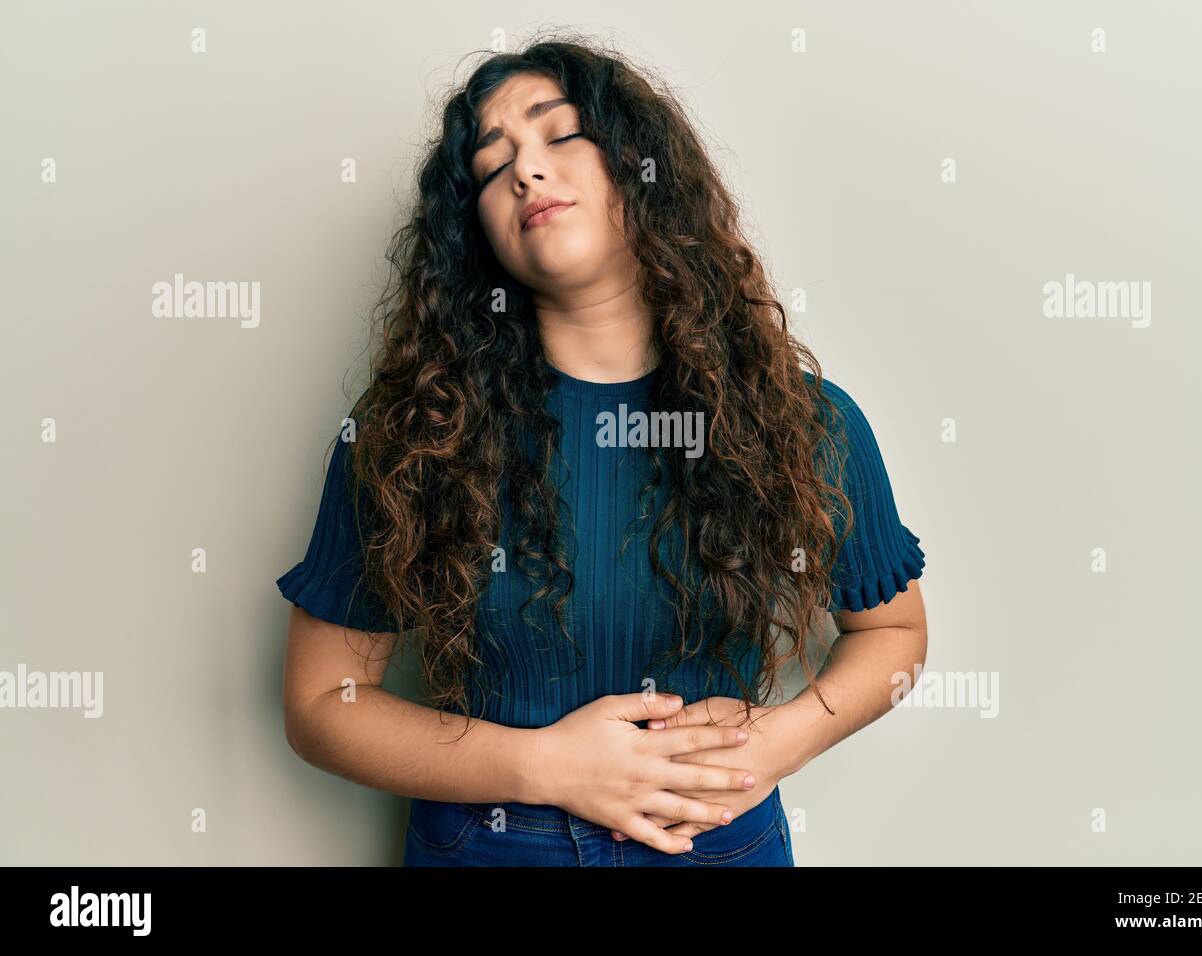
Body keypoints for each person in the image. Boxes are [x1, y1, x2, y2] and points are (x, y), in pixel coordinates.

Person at [275, 35, 927, 867]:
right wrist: (540, 765)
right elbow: (321, 703)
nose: (524, 171)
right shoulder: (412, 431)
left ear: (640, 168)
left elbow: (895, 632)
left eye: (559, 134)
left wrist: (781, 740)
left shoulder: (800, 419)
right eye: (490, 165)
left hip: (720, 843)